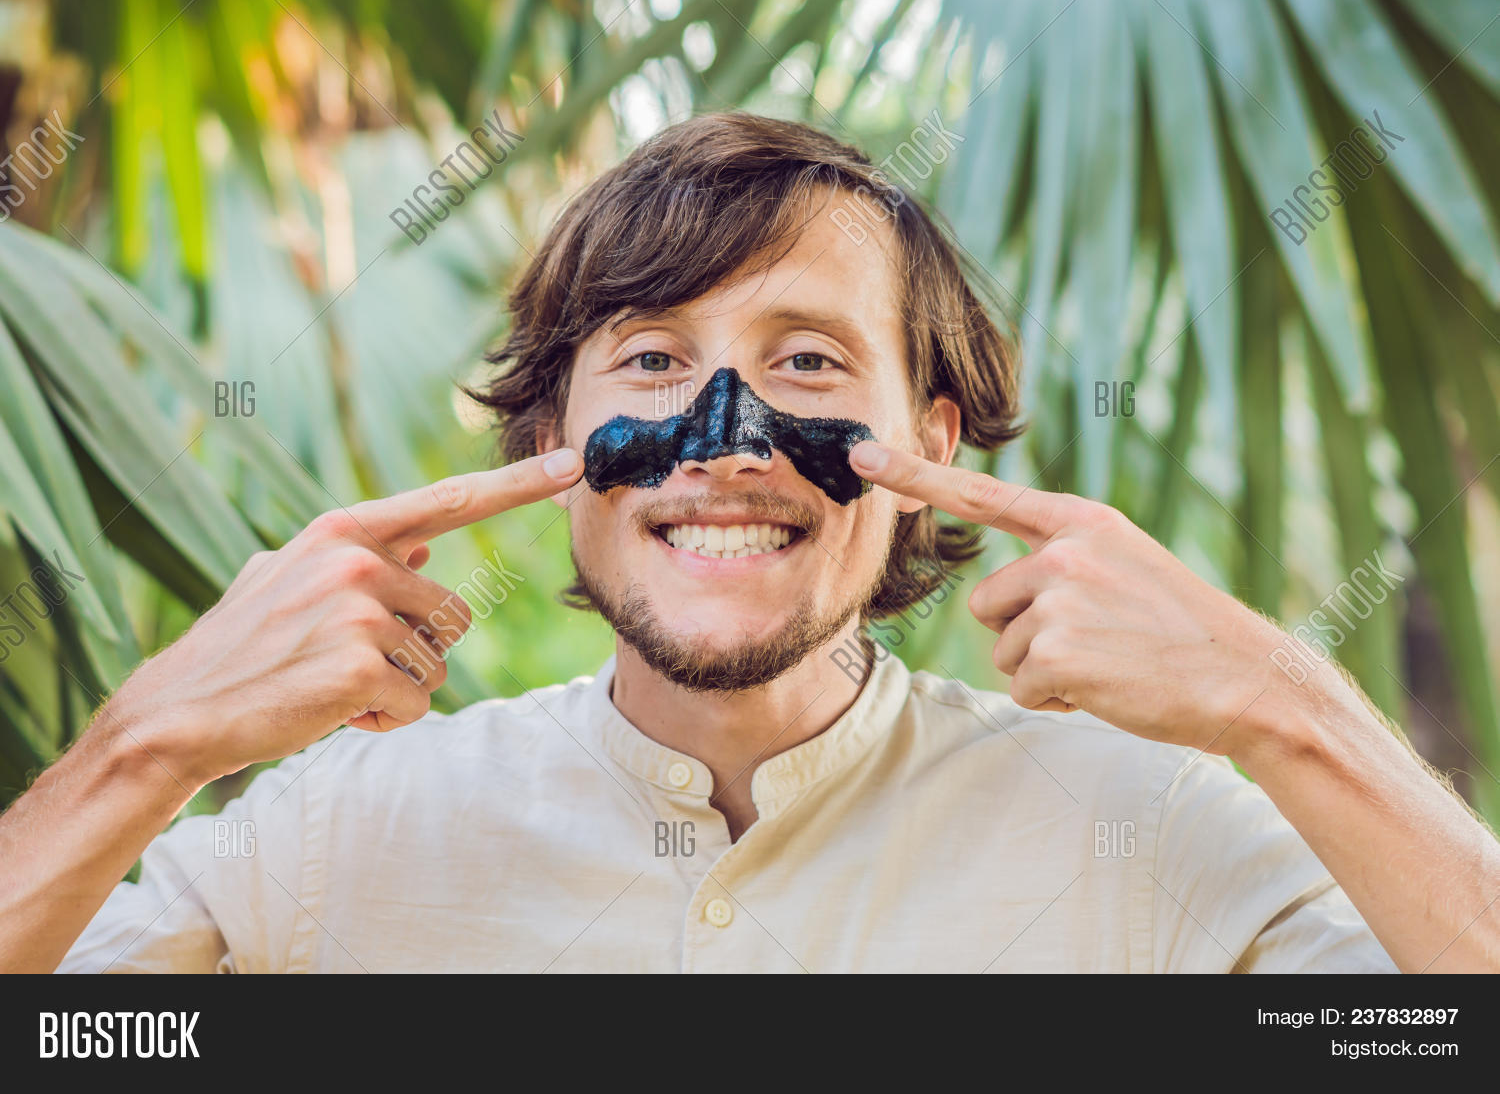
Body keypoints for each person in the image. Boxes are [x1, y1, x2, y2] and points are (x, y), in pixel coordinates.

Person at [4, 113, 1495, 972]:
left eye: (809, 362)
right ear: (548, 450)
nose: (725, 435)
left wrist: (1282, 702)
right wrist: (149, 744)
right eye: (651, 360)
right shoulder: (333, 834)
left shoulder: (1151, 834)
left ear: (930, 456)